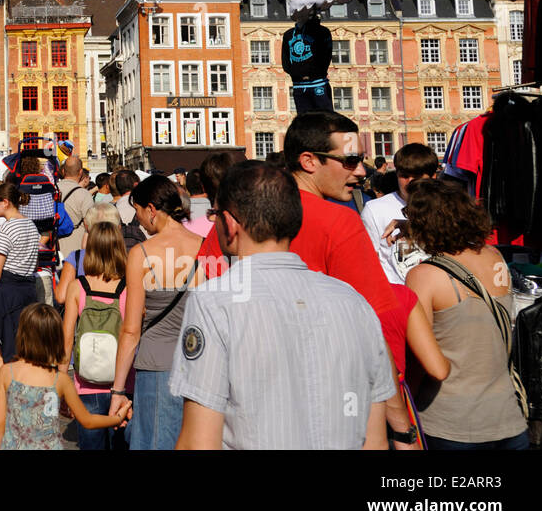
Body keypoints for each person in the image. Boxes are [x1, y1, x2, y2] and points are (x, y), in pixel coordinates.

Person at [166, 162, 395, 449]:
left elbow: (199, 441)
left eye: (215, 215)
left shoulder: (215, 302)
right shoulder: (353, 302)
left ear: (231, 224)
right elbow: (374, 438)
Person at [401, 180, 528, 449]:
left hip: (452, 423)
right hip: (507, 416)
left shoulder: (423, 277)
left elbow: (424, 363)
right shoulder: (494, 257)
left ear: (422, 224)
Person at [112, 175, 203, 450]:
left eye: (138, 212)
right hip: (200, 365)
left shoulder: (142, 253)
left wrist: (117, 390)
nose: (138, 220)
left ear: (151, 209)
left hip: (157, 367)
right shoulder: (205, 247)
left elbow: (131, 330)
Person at [0, 304, 130, 450]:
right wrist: (116, 418)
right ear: (56, 339)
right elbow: (87, 420)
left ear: (22, 335)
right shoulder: (60, 380)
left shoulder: (7, 372)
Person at [62, 219, 127, 450]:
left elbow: (67, 338)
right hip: (123, 383)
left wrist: (62, 383)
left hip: (86, 383)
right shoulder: (129, 287)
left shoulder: (77, 287)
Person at [0, 181, 40, 400]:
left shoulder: (6, 228)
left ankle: (4, 399)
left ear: (5, 202)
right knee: (24, 346)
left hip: (7, 290)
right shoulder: (31, 225)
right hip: (28, 289)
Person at [361, 143, 439, 284]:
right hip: (399, 297)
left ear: (432, 176)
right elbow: (368, 262)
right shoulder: (375, 209)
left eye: (417, 175)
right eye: (404, 176)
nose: (410, 181)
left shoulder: (446, 206)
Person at [55, 202, 122, 305]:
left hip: (83, 318)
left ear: (86, 226)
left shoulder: (75, 258)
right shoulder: (125, 258)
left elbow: (61, 297)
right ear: (118, 228)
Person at [56, 155, 93, 269]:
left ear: (63, 171)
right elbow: (90, 224)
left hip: (54, 248)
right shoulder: (84, 194)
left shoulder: (53, 189)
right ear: (81, 172)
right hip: (76, 251)